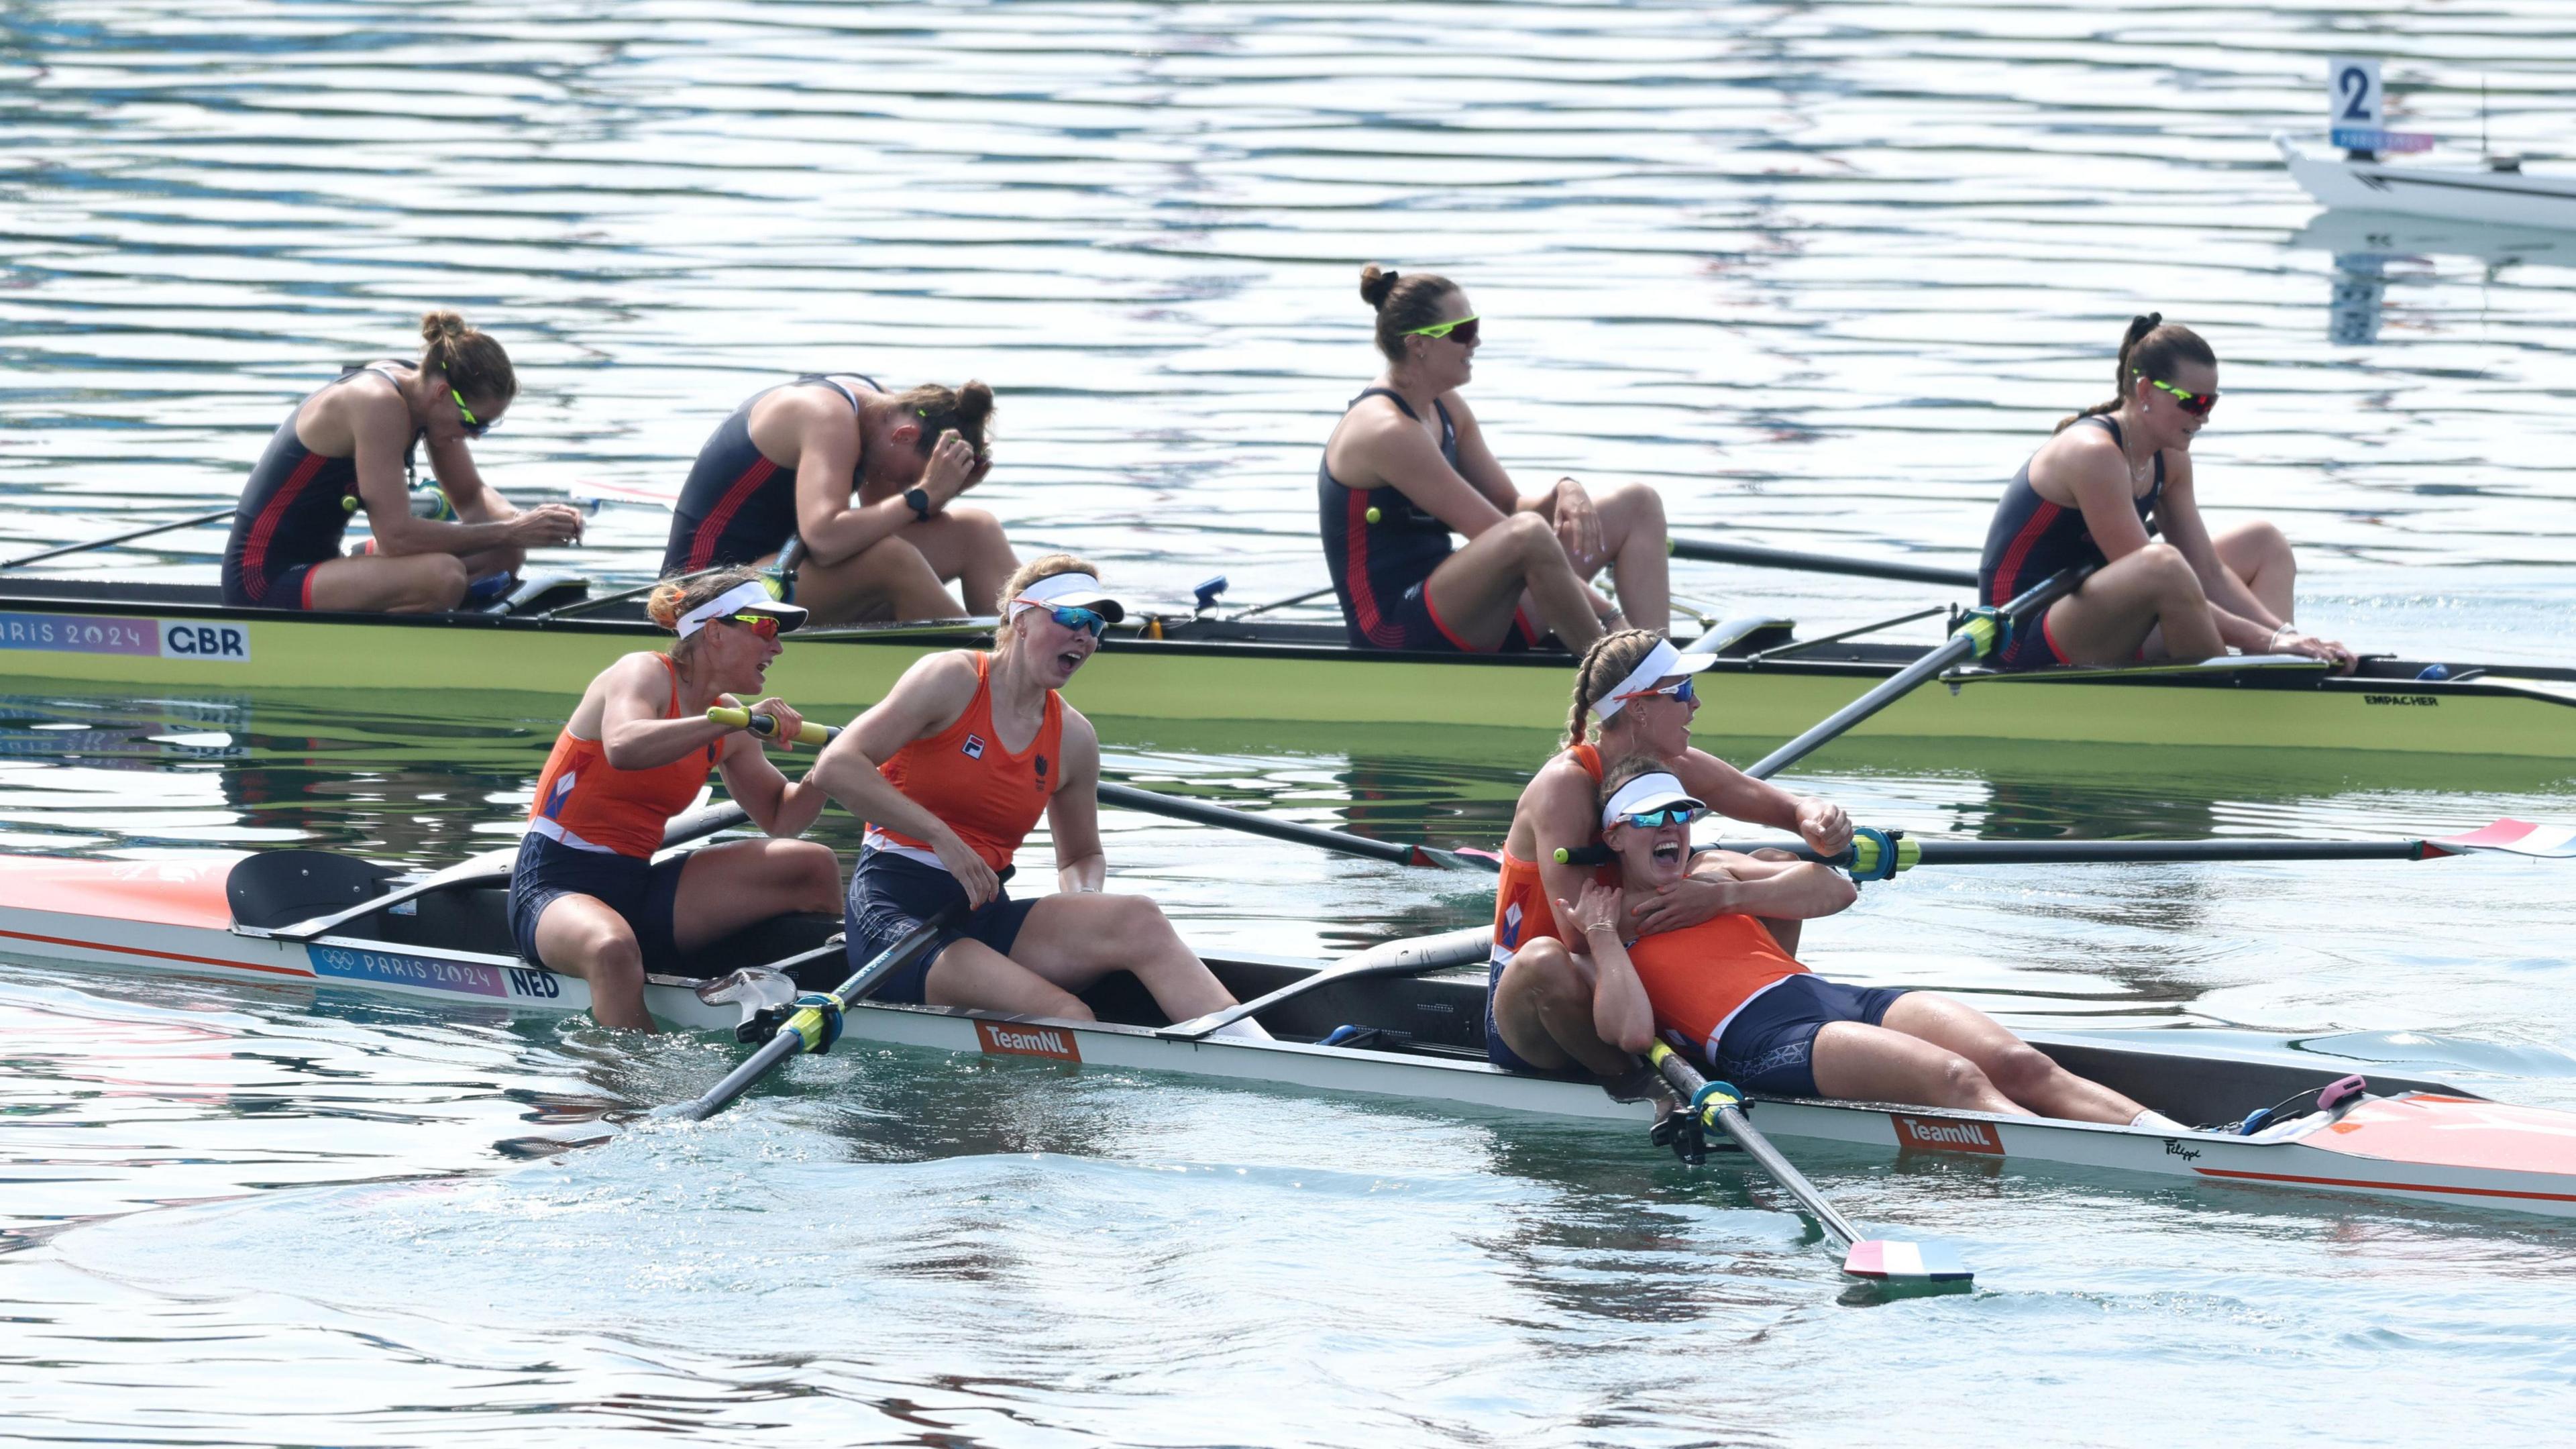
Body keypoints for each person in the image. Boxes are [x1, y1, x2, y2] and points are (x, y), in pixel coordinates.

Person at [1558, 757, 2182, 1129]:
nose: (1670, 828)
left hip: (1832, 1001)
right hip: (1765, 1042)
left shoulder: (1716, 867)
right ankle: (2114, 1159)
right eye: (1647, 819)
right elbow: (1635, 1035)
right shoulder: (1607, 918)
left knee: (2024, 1066)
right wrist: (1607, 939)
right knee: (1956, 1079)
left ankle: (2175, 1136)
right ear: (1614, 838)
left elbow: (1834, 890)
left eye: (1679, 814)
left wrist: (1722, 899)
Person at [806, 554, 1269, 1038]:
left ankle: (1257, 1049)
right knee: (1068, 1017)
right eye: (1071, 618)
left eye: (1094, 626)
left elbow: (1082, 855)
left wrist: (1086, 901)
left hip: (984, 913)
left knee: (1137, 917)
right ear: (1020, 619)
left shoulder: (1073, 736)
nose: (1085, 636)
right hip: (895, 908)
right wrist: (943, 839)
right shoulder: (952, 678)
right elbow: (835, 766)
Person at [1485, 629, 1854, 1079]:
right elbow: (1578, 933)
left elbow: (1789, 809)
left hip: (1624, 972)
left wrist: (1818, 819)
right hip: (1542, 1000)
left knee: (1776, 863)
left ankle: (1758, 1020)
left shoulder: (1670, 764)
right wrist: (1709, 898)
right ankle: (1639, 1086)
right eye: (1683, 691)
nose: (1695, 705)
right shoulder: (1564, 787)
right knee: (1548, 958)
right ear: (1637, 707)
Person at [507, 568, 844, 1032]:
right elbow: (625, 746)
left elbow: (782, 818)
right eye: (766, 629)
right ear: (714, 631)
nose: (777, 647)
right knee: (611, 950)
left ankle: (809, 995)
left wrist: (831, 766)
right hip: (553, 884)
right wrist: (733, 720)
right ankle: (627, 1090)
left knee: (813, 867)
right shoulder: (643, 673)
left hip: (637, 884)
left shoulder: (731, 722)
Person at [1318, 265, 1670, 655]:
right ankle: (1621, 674)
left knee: (1638, 504)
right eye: (1464, 331)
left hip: (1463, 611)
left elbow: (1509, 505)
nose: (1477, 342)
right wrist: (1608, 614)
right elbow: (1496, 531)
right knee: (1528, 535)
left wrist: (1563, 490)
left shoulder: (1446, 407)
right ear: (1419, 344)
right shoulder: (1387, 431)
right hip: (1395, 633)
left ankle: (1664, 671)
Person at [1978, 314, 2354, 672]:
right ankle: (2232, 695)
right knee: (2163, 564)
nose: (2203, 417)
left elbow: (2207, 571)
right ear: (2146, 391)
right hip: (2020, 637)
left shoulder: (2169, 458)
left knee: (2263, 542)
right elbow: (2158, 574)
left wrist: (2285, 635)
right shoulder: (2093, 454)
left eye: (2211, 402)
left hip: (2104, 620)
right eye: (2194, 402)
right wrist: (2267, 638)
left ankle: (2278, 670)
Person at [223, 311, 587, 612]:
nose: (475, 435)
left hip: (324, 563)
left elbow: (471, 495)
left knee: (504, 552)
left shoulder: (425, 395)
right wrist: (513, 529)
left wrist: (530, 523)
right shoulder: (376, 404)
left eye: (488, 427)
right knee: (442, 575)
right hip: (263, 581)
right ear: (444, 394)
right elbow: (396, 538)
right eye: (473, 423)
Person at [659, 373, 1014, 625]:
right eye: (910, 477)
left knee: (975, 530)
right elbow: (826, 540)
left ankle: (1023, 650)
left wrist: (945, 492)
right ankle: (992, 679)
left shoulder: (883, 409)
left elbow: (880, 520)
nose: (906, 485)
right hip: (702, 593)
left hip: (783, 570)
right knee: (892, 560)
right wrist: (923, 494)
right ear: (905, 435)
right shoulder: (825, 416)